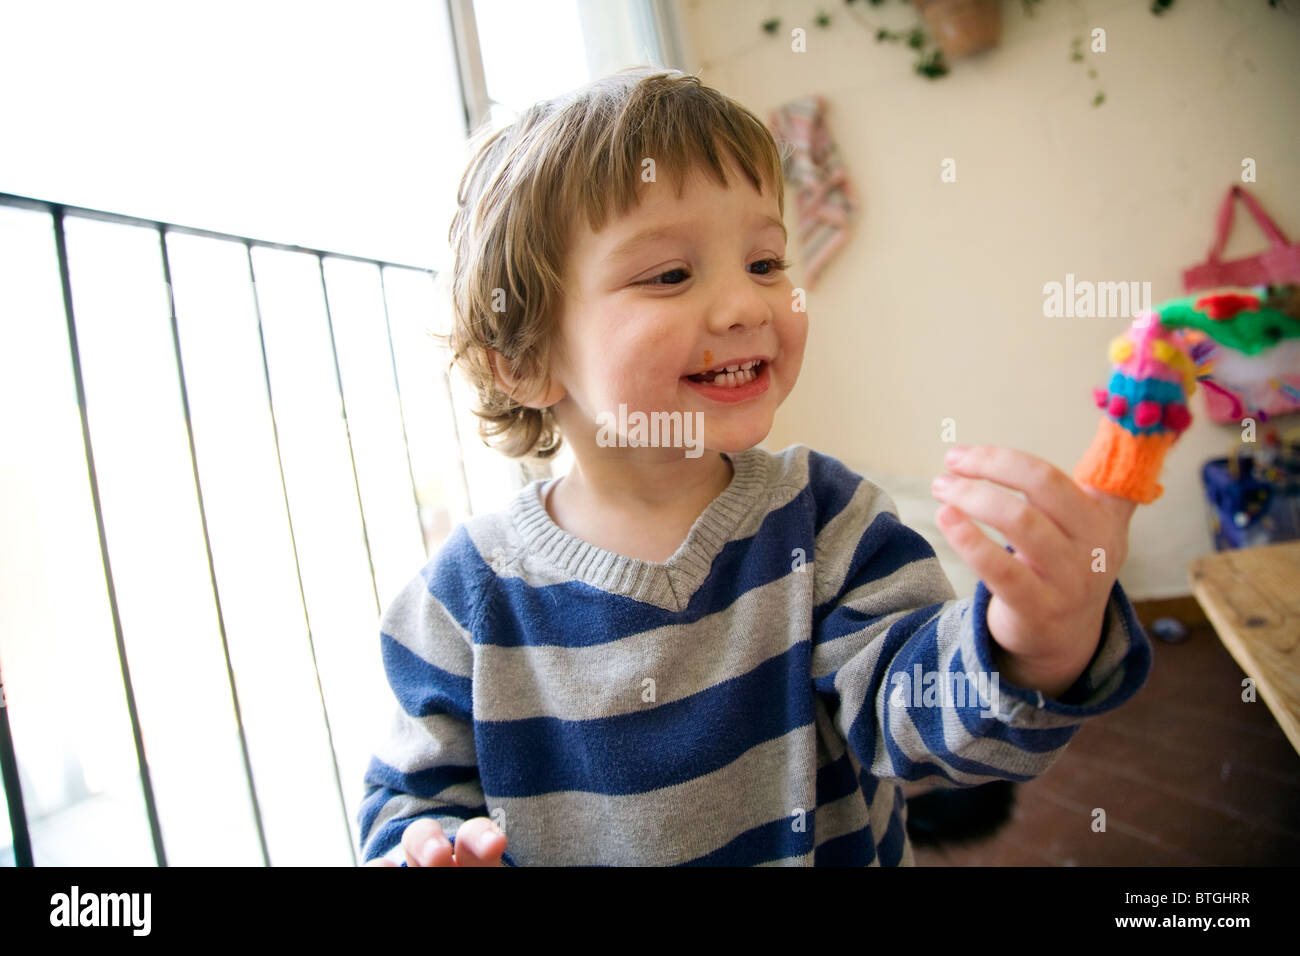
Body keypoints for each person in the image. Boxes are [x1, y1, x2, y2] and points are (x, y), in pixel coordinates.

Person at [359, 67, 1151, 867]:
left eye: (766, 264)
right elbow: (409, 803)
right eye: (670, 275)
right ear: (526, 363)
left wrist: (1032, 648)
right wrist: (422, 849)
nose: (746, 304)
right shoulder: (461, 604)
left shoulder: (826, 520)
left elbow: (918, 722)